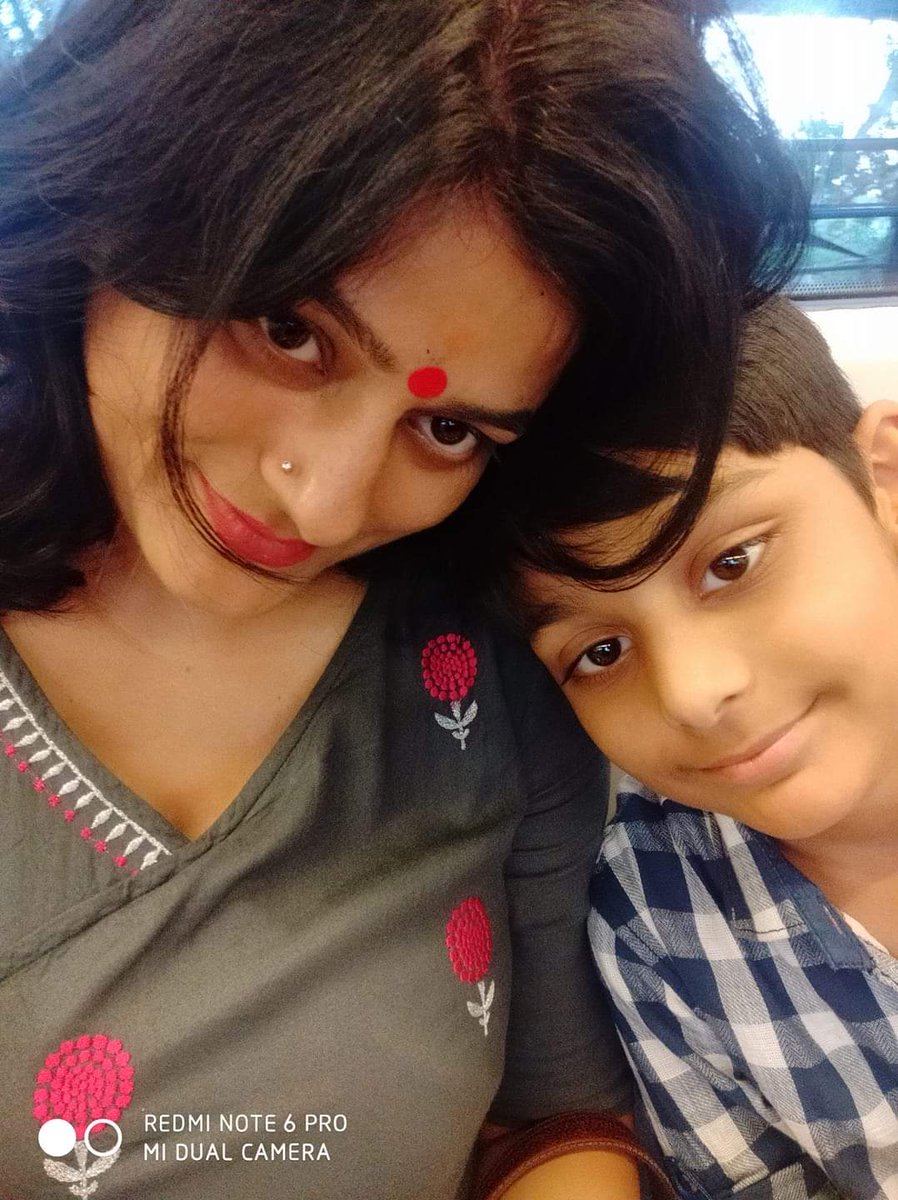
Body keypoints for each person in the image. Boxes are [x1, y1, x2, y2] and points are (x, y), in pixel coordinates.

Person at [0, 1, 804, 1195]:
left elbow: (554, 1116)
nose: (323, 501)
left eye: (448, 428)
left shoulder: (482, 679)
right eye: (290, 331)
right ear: (115, 200)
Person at [511, 298, 898, 1197]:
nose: (690, 692)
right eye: (600, 652)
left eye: (734, 563)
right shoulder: (660, 921)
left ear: (884, 476)